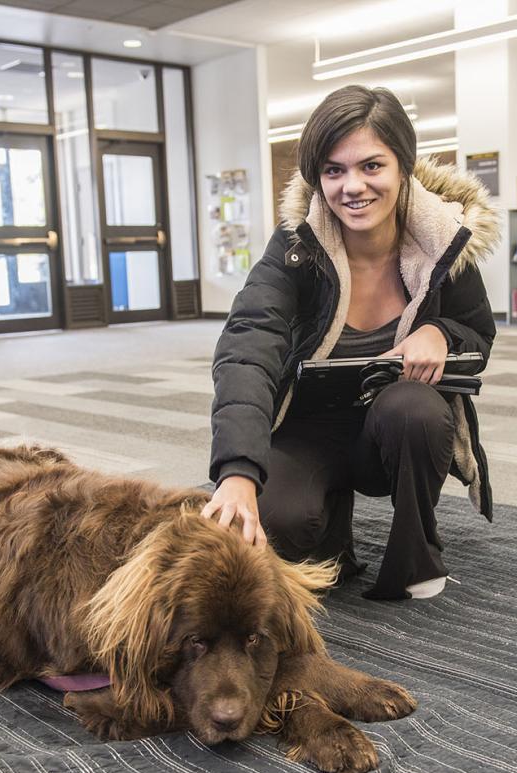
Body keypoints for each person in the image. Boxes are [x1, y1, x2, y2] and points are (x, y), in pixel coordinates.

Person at [203, 85, 497, 601]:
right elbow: (248, 345)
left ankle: (416, 550)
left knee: (416, 409)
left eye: (371, 166)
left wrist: (440, 333)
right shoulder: (296, 247)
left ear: (402, 166)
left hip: (393, 430)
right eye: (334, 170)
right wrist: (238, 470)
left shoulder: (443, 242)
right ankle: (329, 527)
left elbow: (478, 334)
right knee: (273, 529)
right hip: (307, 426)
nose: (352, 187)